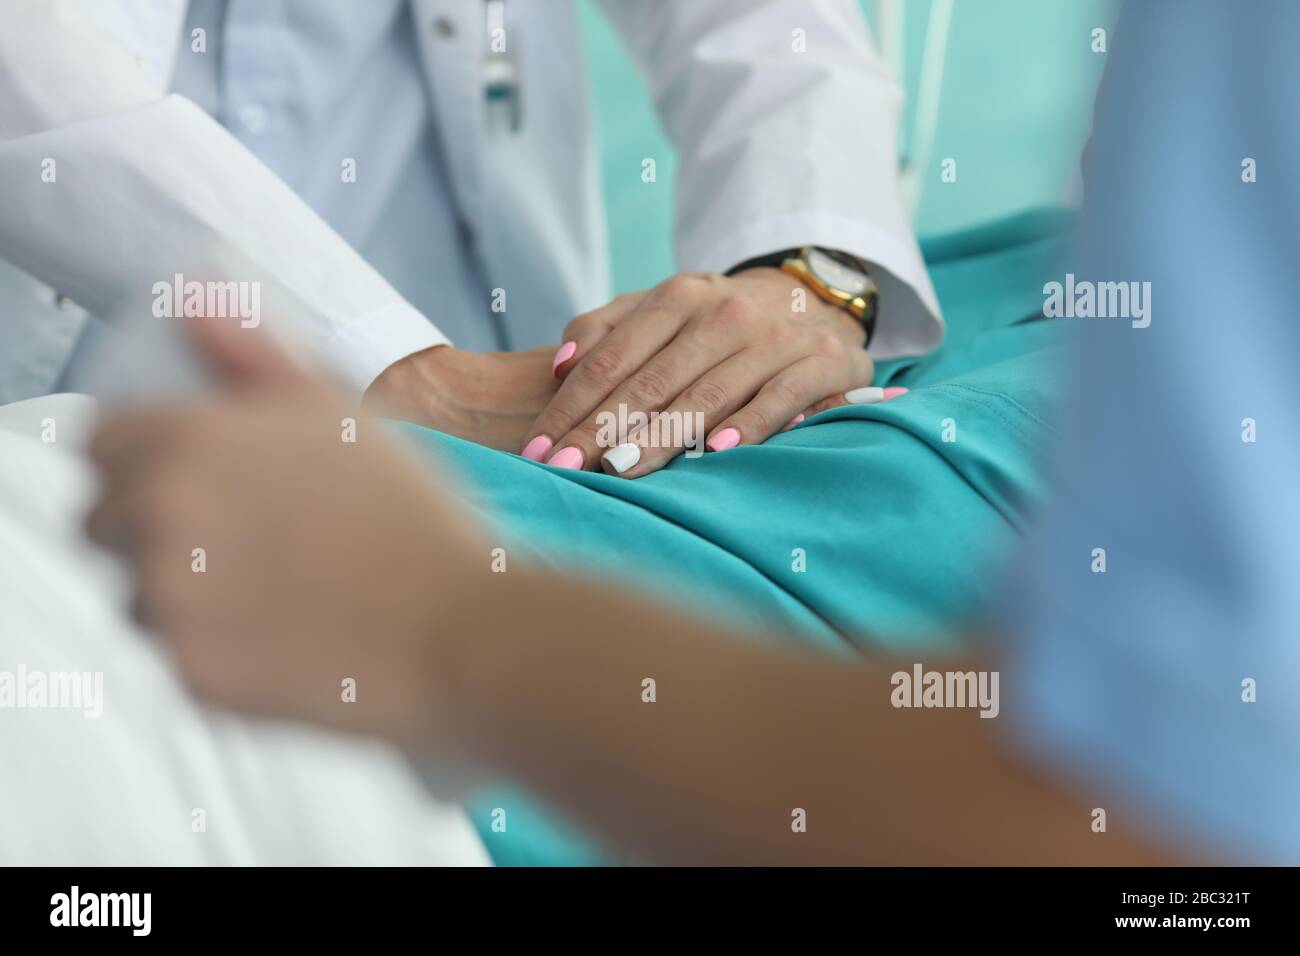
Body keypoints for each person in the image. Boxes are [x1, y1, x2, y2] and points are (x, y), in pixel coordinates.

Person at [84, 0, 1300, 865]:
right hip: (135, 469)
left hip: (268, 663)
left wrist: (807, 266)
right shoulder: (1098, 284)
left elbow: (1149, 824)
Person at [0, 0, 937, 476]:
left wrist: (806, 274)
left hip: (501, 422)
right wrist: (397, 370)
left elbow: (761, 22)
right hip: (67, 399)